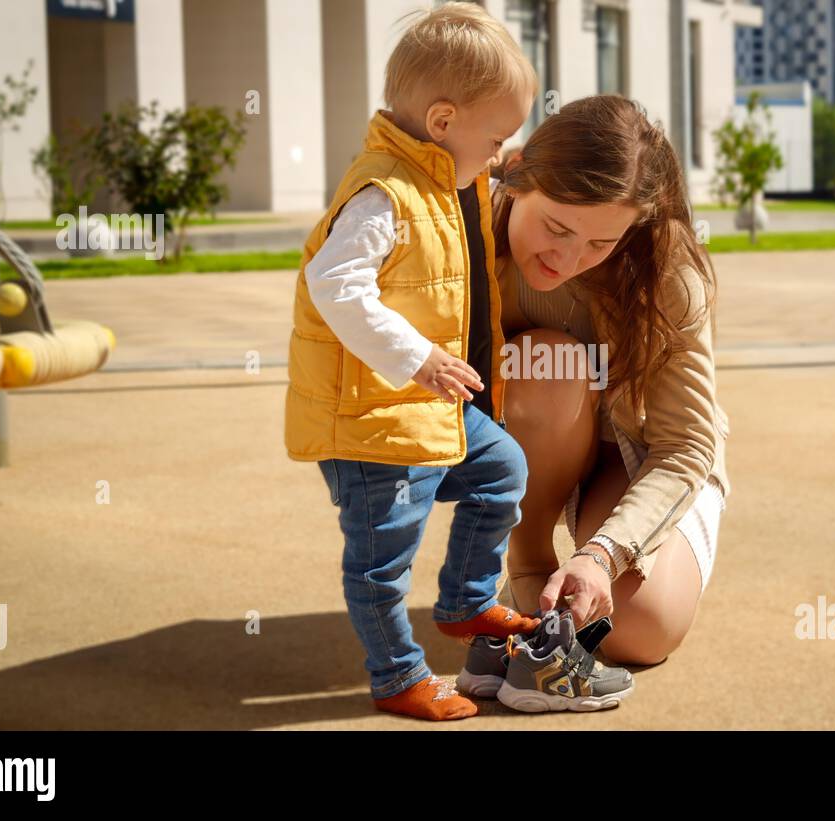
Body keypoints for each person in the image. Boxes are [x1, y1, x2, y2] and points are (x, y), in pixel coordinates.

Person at [284, 3, 538, 721]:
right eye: (495, 139)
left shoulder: (439, 179)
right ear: (442, 122)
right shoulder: (382, 193)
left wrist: (507, 166)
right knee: (380, 561)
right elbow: (333, 284)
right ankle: (397, 674)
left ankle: (464, 600)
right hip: (372, 423)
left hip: (425, 409)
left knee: (502, 469)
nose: (496, 155)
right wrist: (418, 357)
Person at [493, 95, 732, 667]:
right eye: (557, 227)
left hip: (639, 452)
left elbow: (685, 444)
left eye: (601, 244)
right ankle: (527, 569)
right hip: (529, 436)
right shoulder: (464, 231)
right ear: (521, 172)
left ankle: (588, 560)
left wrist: (603, 556)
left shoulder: (667, 269)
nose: (569, 258)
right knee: (550, 361)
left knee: (639, 630)